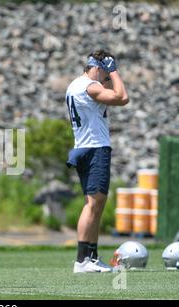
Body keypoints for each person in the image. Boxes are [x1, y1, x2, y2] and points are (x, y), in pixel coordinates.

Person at [65, 50, 129, 273]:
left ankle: (90, 256)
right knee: (93, 204)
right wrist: (114, 71)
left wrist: (108, 74)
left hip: (85, 146)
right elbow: (122, 97)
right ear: (99, 67)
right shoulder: (90, 86)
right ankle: (82, 260)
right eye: (105, 73)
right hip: (94, 148)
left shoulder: (75, 84)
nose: (107, 80)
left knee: (96, 203)